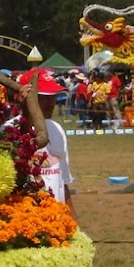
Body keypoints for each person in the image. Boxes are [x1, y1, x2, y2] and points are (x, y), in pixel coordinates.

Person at [28, 70, 77, 216]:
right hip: (28, 218)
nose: (52, 103)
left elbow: (63, 182)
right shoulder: (12, 131)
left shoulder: (57, 129)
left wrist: (74, 223)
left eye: (54, 97)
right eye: (45, 98)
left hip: (58, 218)